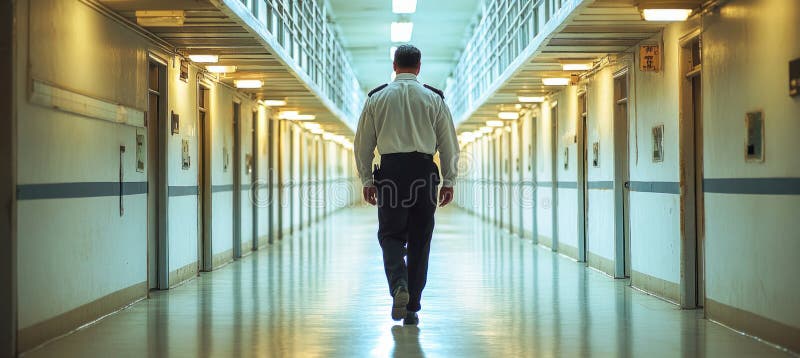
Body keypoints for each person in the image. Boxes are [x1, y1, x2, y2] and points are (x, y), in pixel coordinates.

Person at [353, 44, 459, 326]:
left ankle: (399, 284)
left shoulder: (377, 99)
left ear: (395, 66)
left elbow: (362, 144)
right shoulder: (434, 99)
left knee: (390, 235)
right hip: (424, 172)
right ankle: (412, 307)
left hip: (390, 172)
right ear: (419, 66)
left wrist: (366, 179)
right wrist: (449, 180)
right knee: (420, 240)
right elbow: (449, 143)